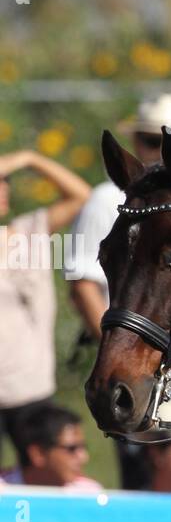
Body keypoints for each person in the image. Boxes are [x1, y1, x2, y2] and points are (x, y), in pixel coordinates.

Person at [64, 94, 171, 487]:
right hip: (137, 367)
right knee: (144, 481)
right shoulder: (106, 199)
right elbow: (82, 284)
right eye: (149, 140)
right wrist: (124, 356)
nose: (158, 151)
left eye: (170, 142)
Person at [0, 149, 91, 463]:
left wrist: (30, 159)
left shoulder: (28, 232)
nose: (2, 189)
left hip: (32, 387)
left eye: (4, 182)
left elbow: (81, 196)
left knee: (46, 478)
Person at [0, 404, 103, 491]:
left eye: (83, 447)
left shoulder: (90, 494)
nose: (84, 457)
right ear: (38, 453)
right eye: (71, 449)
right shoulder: (4, 492)